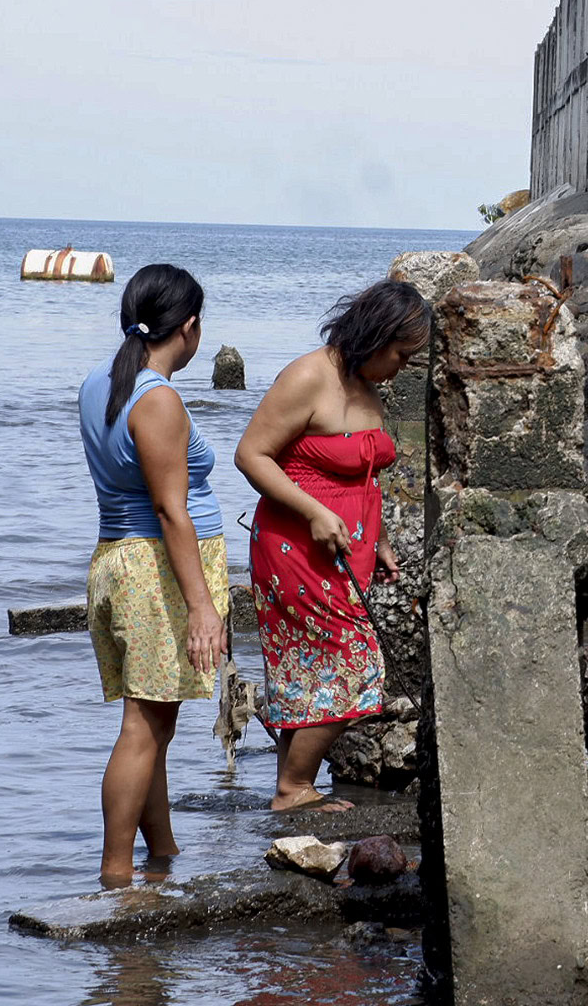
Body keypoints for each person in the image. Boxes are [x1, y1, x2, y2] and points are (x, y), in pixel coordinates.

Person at [235, 280, 430, 812]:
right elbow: (251, 455)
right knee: (357, 662)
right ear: (375, 335)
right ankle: (294, 787)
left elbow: (365, 477)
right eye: (401, 354)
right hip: (294, 544)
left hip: (351, 551)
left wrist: (383, 538)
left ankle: (290, 787)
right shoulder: (306, 376)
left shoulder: (368, 386)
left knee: (310, 667)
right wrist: (316, 512)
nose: (404, 367)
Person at [78, 264, 228, 887]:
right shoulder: (158, 399)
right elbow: (171, 511)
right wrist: (201, 606)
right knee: (143, 727)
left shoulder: (98, 384)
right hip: (153, 571)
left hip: (115, 560)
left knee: (154, 721)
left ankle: (161, 854)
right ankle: (116, 874)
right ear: (188, 327)